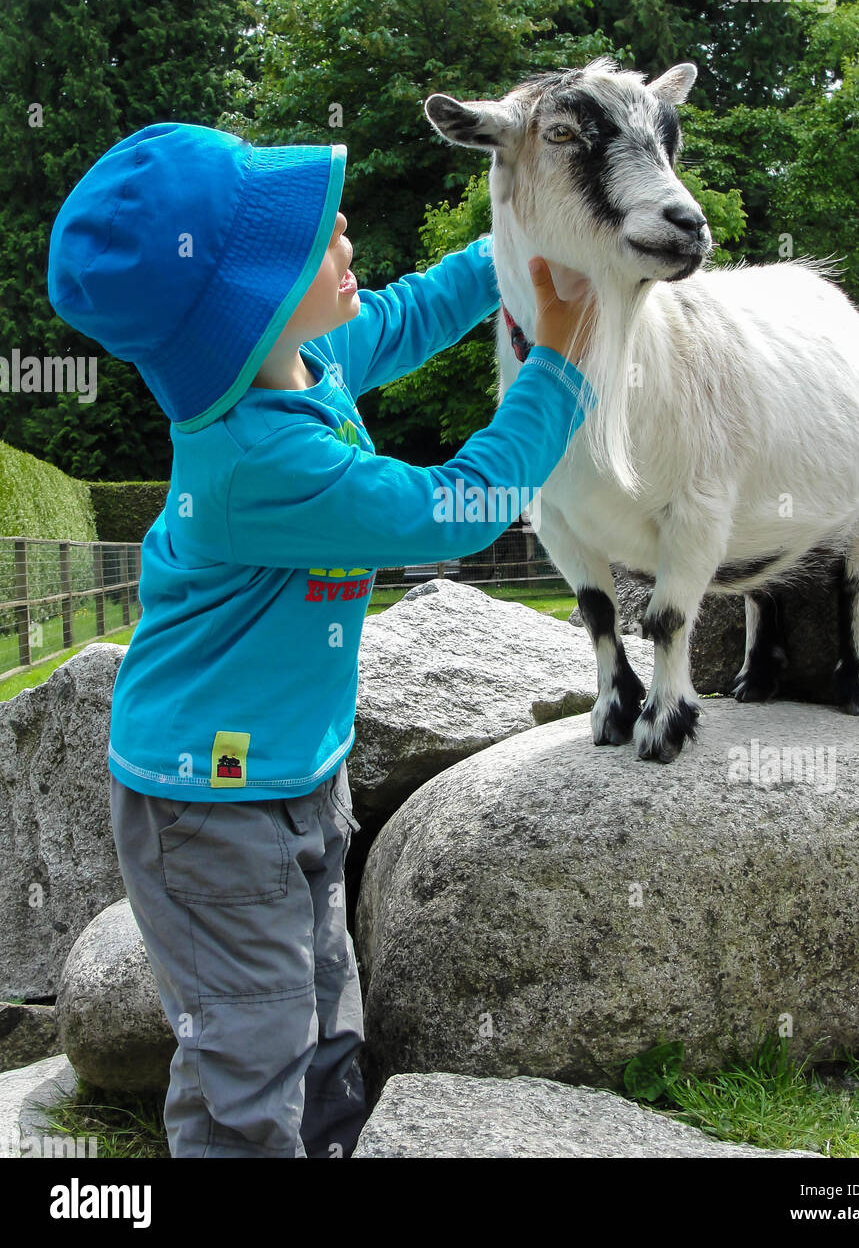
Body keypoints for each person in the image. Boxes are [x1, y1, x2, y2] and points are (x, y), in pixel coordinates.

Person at [46, 121, 598, 1158]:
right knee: (249, 1049)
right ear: (244, 306)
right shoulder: (262, 461)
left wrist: (516, 244)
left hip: (293, 768)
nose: (341, 227)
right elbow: (457, 506)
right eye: (307, 237)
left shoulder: (297, 361)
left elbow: (413, 311)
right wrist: (560, 362)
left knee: (325, 1004)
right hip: (204, 803)